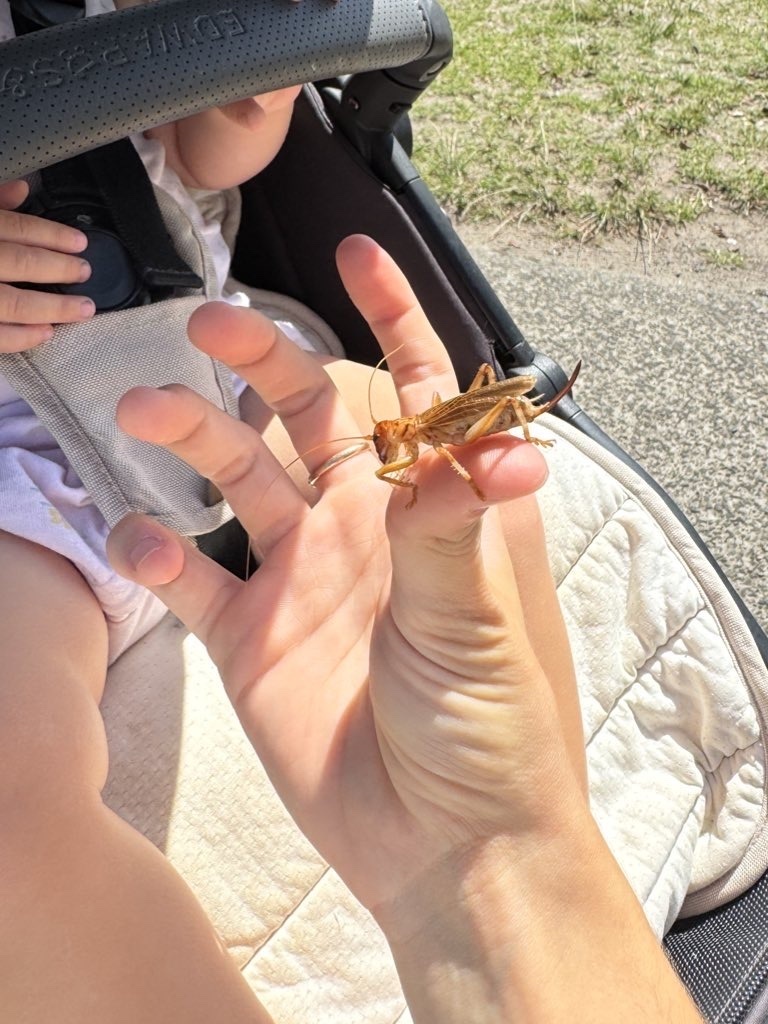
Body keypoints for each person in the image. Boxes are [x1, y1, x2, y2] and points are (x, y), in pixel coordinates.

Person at [107, 234, 705, 1022]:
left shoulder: (416, 442)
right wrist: (494, 856)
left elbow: (427, 443)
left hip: (476, 422)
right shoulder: (396, 450)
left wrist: (497, 848)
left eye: (387, 445)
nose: (387, 446)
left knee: (466, 469)